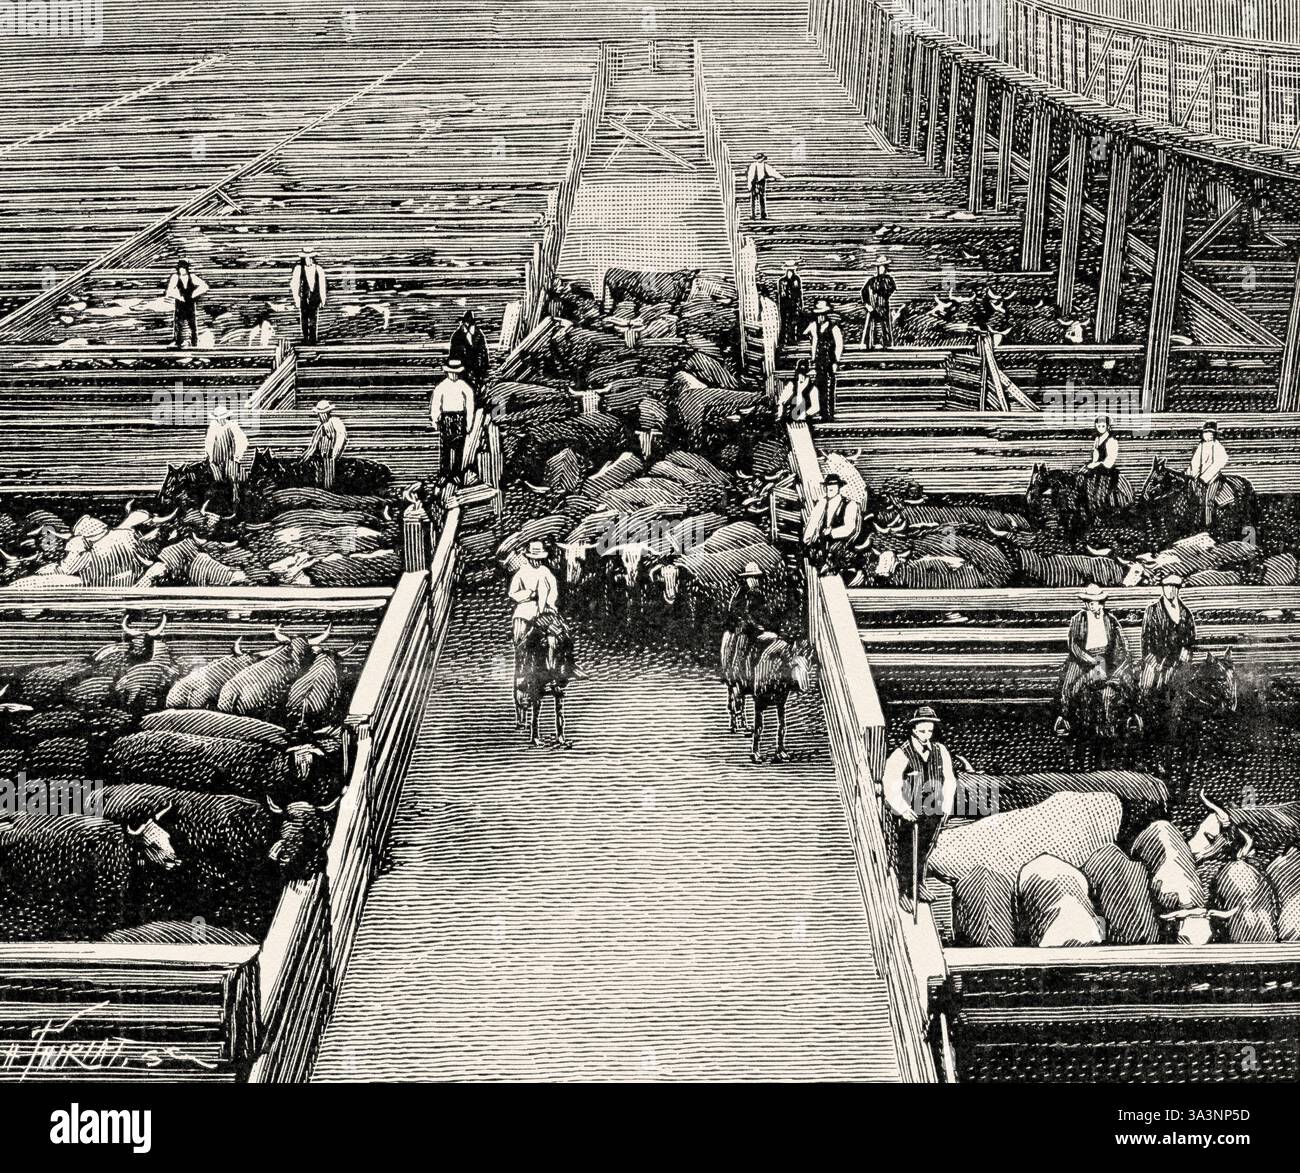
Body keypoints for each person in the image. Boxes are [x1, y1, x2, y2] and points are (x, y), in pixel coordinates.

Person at [882, 706, 958, 907]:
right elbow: (891, 784)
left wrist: (947, 806)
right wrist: (902, 809)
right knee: (907, 851)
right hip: (910, 812)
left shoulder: (940, 751)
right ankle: (904, 892)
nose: (927, 736)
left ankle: (919, 883)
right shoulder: (901, 754)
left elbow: (949, 779)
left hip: (934, 809)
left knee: (926, 848)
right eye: (923, 731)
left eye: (930, 731)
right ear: (914, 730)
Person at [1059, 582, 1130, 719]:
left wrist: (1116, 661)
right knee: (1068, 686)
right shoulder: (1078, 619)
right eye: (1089, 602)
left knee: (1090, 682)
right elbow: (1074, 645)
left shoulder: (1110, 620)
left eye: (1095, 602)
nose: (1092, 605)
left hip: (1103, 658)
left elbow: (1121, 643)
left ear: (1102, 603)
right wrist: (1088, 660)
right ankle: (1064, 717)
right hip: (1082, 658)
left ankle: (1089, 718)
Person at [1140, 574, 1196, 699]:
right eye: (1167, 586)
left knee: (1186, 691)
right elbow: (1146, 641)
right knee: (1148, 689)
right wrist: (1154, 662)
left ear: (1178, 589)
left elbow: (1191, 639)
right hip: (1156, 660)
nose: (1171, 590)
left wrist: (1187, 652)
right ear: (1163, 588)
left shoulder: (1185, 613)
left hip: (1179, 662)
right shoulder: (1152, 610)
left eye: (1174, 587)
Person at [802, 471, 861, 574]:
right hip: (822, 543)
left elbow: (849, 528)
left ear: (839, 487)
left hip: (841, 543)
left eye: (833, 485)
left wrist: (832, 532)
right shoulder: (822, 503)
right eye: (828, 485)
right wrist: (807, 538)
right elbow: (813, 521)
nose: (830, 487)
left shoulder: (850, 504)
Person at [429, 358, 475, 481]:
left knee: (459, 446)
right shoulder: (441, 387)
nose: (453, 374)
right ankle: (444, 473)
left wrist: (469, 423)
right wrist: (435, 419)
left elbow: (470, 406)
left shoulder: (464, 387)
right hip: (446, 418)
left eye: (456, 372)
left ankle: (456, 473)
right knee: (445, 446)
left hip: (460, 418)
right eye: (451, 372)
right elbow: (436, 404)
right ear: (447, 372)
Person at [509, 540, 559, 646]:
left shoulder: (545, 571)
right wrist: (529, 594)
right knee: (520, 640)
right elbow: (512, 593)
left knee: (554, 638)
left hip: (544, 611)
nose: (537, 562)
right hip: (524, 612)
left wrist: (550, 605)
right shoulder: (521, 572)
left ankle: (551, 661)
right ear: (529, 558)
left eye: (539, 559)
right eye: (534, 559)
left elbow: (553, 590)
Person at [804, 300, 844, 422]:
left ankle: (828, 415)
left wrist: (836, 361)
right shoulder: (814, 326)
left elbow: (839, 345)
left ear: (826, 314)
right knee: (820, 387)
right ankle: (823, 414)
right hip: (819, 361)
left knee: (828, 387)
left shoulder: (834, 327)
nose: (820, 317)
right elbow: (806, 335)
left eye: (823, 314)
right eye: (818, 314)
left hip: (829, 361)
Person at [1188, 420, 1228, 529]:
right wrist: (1191, 474)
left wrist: (1205, 477)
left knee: (1208, 500)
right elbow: (1194, 463)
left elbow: (1220, 461)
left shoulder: (1217, 446)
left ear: (1214, 434)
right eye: (1206, 432)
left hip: (1212, 478)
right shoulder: (1201, 446)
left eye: (1210, 432)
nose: (1208, 434)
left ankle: (1208, 526)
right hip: (1199, 478)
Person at [205, 406, 248, 506]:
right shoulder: (212, 428)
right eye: (218, 418)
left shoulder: (232, 426)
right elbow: (209, 443)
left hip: (230, 458)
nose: (220, 420)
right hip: (216, 460)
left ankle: (235, 500)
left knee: (232, 478)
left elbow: (242, 441)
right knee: (216, 481)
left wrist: (237, 456)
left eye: (222, 418)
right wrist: (210, 457)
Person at [303, 400, 347, 490]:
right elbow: (315, 442)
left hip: (329, 455)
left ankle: (328, 489)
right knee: (320, 475)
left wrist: (335, 453)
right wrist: (306, 455)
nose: (319, 416)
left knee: (329, 475)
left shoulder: (334, 422)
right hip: (321, 455)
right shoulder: (321, 426)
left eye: (320, 413)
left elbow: (341, 437)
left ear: (325, 413)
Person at [1081, 415, 1120, 517]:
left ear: (1107, 426)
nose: (1101, 428)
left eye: (1103, 426)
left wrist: (1098, 464)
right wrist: (1091, 464)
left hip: (1107, 470)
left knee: (1099, 488)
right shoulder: (1097, 439)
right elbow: (1095, 455)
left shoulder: (1112, 440)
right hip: (1097, 468)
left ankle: (1100, 508)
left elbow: (1110, 459)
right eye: (1099, 426)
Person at [165, 260, 209, 348]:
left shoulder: (192, 277)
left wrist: (194, 294)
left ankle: (194, 342)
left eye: (184, 269)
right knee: (178, 323)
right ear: (178, 269)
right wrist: (178, 296)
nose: (182, 271)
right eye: (181, 269)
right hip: (180, 303)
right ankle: (178, 341)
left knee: (192, 323)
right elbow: (169, 290)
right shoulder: (175, 277)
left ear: (187, 269)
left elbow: (204, 286)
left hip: (190, 303)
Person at [860, 255, 897, 350]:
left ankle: (886, 345)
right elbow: (863, 293)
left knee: (885, 326)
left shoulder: (889, 280)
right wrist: (867, 305)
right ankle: (870, 344)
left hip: (883, 306)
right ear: (877, 268)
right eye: (880, 267)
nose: (882, 269)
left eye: (884, 267)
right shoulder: (872, 281)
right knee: (872, 326)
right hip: (873, 306)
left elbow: (892, 290)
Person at [290, 251, 328, 344]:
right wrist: (297, 299)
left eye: (310, 258)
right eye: (306, 258)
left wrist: (323, 299)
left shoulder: (318, 269)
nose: (308, 260)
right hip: (303, 298)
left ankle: (313, 339)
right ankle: (305, 338)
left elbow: (322, 285)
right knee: (304, 319)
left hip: (314, 298)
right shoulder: (298, 269)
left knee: (313, 319)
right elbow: (295, 285)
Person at [449, 309, 491, 390]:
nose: (467, 325)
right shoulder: (457, 336)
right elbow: (453, 355)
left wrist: (484, 370)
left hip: (477, 372)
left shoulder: (478, 335)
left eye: (469, 323)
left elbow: (484, 353)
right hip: (462, 371)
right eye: (466, 323)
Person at [776, 358, 819, 423]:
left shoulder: (812, 388)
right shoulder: (791, 385)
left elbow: (816, 407)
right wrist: (780, 415)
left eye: (803, 373)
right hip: (790, 421)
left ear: (807, 372)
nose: (801, 376)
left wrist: (805, 414)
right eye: (799, 373)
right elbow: (781, 401)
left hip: (805, 421)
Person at [746, 152, 785, 220]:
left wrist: (780, 177)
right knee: (753, 199)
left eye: (761, 158)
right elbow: (750, 176)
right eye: (759, 158)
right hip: (754, 183)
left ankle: (762, 214)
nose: (760, 159)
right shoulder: (753, 166)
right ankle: (753, 214)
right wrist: (749, 185)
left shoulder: (765, 166)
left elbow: (772, 172)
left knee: (761, 199)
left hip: (761, 183)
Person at [776, 264, 803, 348]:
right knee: (784, 322)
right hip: (785, 305)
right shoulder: (782, 281)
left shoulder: (796, 280)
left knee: (793, 322)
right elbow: (781, 294)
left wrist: (799, 305)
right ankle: (783, 340)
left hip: (793, 304)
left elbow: (798, 293)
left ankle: (792, 339)